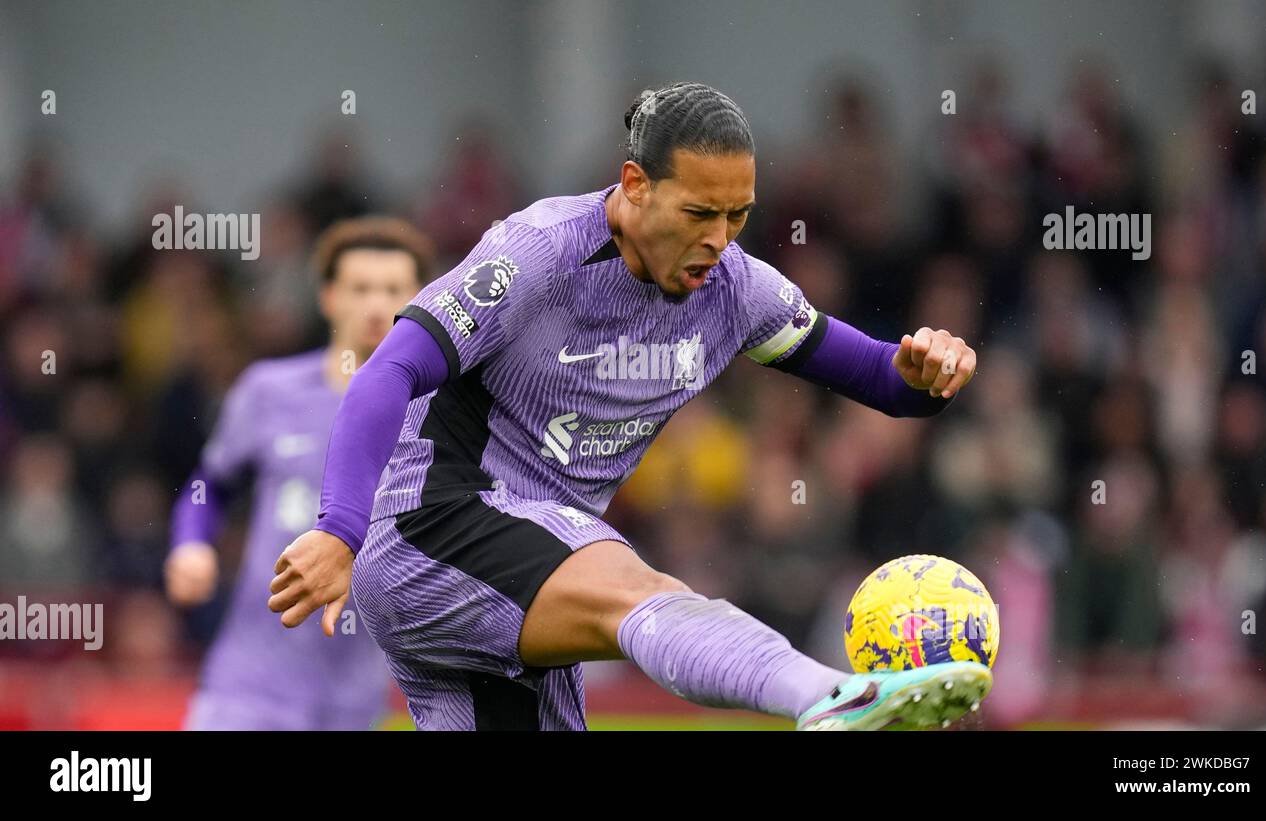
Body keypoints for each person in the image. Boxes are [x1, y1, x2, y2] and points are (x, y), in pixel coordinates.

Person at [269, 83, 988, 730]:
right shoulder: (538, 255)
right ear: (636, 185)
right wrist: (340, 529)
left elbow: (880, 379)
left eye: (739, 215)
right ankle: (828, 694)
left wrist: (924, 375)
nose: (718, 239)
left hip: (527, 582)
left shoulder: (737, 289)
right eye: (700, 212)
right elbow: (388, 370)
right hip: (433, 531)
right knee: (637, 591)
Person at [167, 217, 431, 729]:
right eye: (360, 288)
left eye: (394, 290)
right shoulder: (269, 391)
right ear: (329, 298)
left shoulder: (441, 415)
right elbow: (208, 485)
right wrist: (190, 542)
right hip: (249, 685)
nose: (376, 305)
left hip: (356, 697)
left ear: (421, 300)